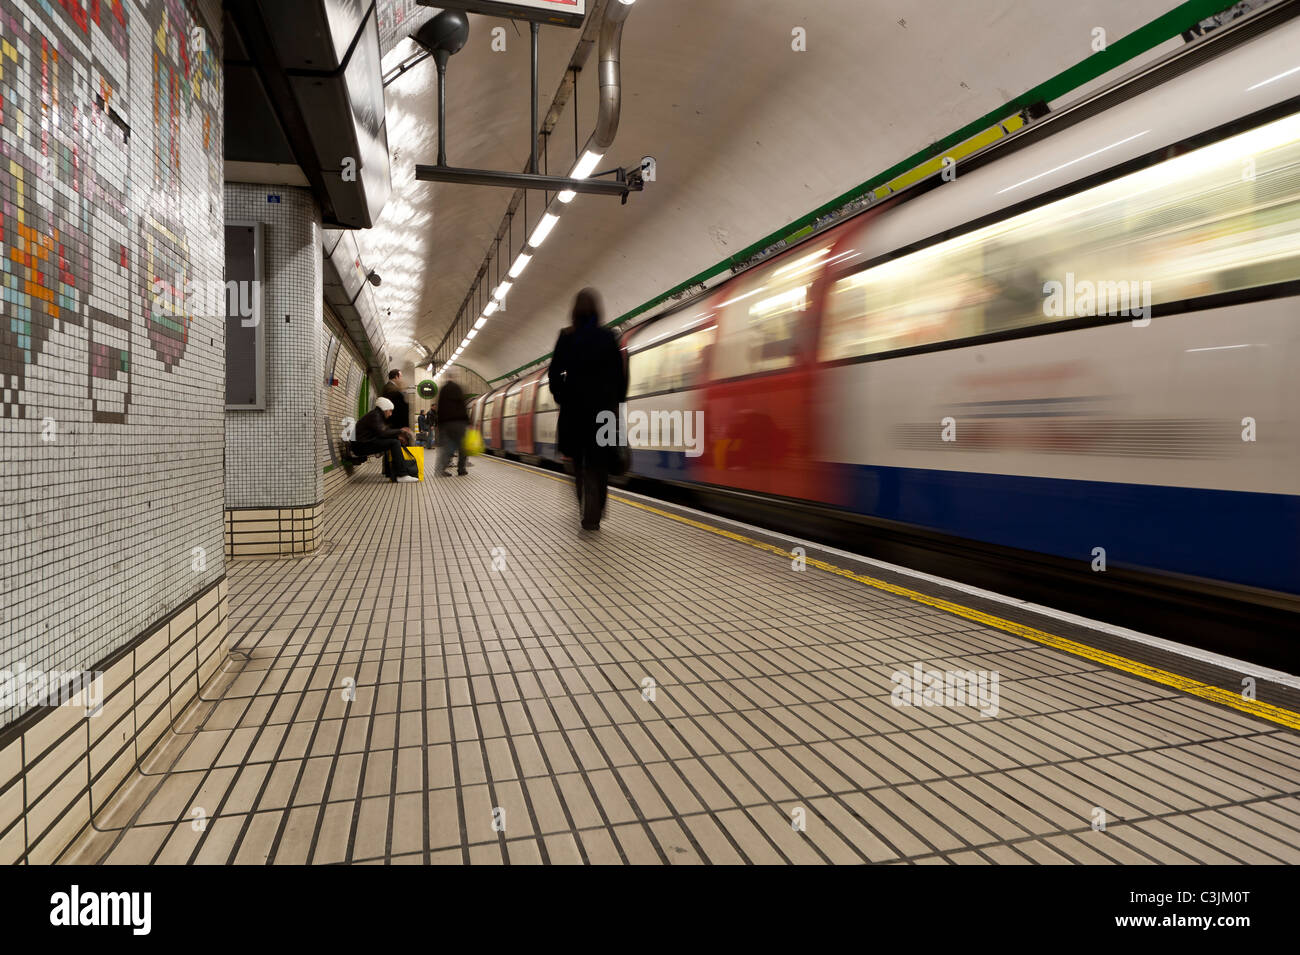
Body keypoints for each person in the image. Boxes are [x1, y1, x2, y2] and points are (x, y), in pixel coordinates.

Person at [548, 288, 627, 530]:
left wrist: (562, 396)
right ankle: (596, 508)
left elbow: (554, 373)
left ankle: (586, 503)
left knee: (580, 460)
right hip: (603, 411)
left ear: (574, 311)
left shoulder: (567, 336)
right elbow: (620, 373)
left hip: (575, 412)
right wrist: (617, 401)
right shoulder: (608, 337)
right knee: (599, 462)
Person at [354, 396, 417, 482]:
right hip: (361, 447)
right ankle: (402, 475)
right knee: (394, 443)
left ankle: (390, 472)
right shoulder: (375, 416)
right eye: (390, 411)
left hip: (363, 443)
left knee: (394, 442)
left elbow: (382, 432)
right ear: (385, 409)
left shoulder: (376, 415)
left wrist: (397, 435)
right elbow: (382, 433)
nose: (391, 414)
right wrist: (400, 431)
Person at [435, 380, 469, 477]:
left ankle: (440, 470)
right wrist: (467, 421)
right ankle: (461, 469)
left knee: (447, 447)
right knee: (463, 447)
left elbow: (439, 409)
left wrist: (439, 424)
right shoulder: (458, 388)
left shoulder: (443, 390)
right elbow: (463, 406)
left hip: (445, 424)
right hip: (459, 422)